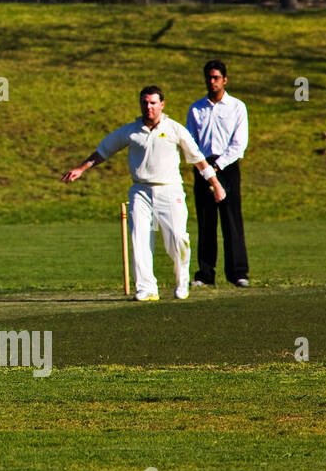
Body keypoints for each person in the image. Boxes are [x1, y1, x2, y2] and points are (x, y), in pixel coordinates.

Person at [61, 86, 226, 301]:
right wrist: (81, 169)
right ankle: (147, 288)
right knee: (139, 237)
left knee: (177, 238)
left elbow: (198, 159)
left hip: (170, 190)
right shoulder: (131, 130)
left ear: (162, 105)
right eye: (145, 103)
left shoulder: (174, 129)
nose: (148, 107)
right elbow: (104, 151)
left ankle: (182, 279)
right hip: (140, 190)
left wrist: (216, 184)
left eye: (153, 103)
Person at [185, 60, 250, 288]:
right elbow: (190, 143)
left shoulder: (237, 107)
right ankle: (205, 273)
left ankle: (238, 272)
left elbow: (239, 144)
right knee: (206, 220)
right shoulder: (196, 109)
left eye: (215, 77)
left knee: (231, 219)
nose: (211, 82)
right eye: (208, 77)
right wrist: (204, 167)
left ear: (224, 80)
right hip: (202, 166)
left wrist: (218, 166)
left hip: (227, 165)